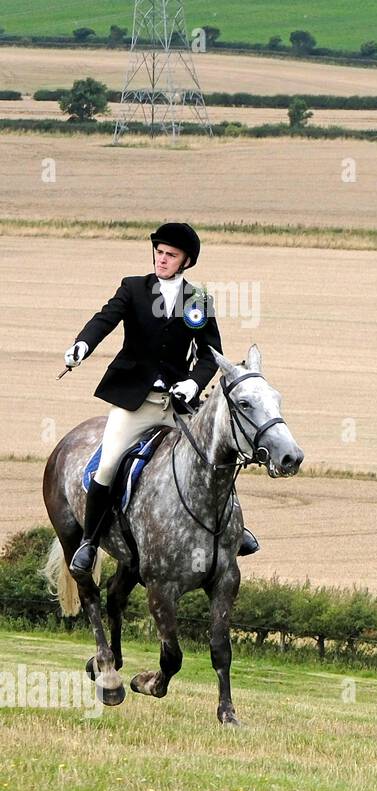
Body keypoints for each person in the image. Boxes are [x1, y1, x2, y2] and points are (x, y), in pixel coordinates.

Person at [62, 222, 260, 581]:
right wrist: (83, 345)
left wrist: (192, 383)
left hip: (176, 405)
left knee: (214, 456)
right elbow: (104, 320)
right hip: (135, 401)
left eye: (170, 254)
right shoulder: (134, 288)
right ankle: (89, 541)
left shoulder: (196, 300)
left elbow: (209, 354)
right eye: (159, 252)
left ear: (185, 261)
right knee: (107, 464)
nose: (162, 259)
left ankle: (235, 530)